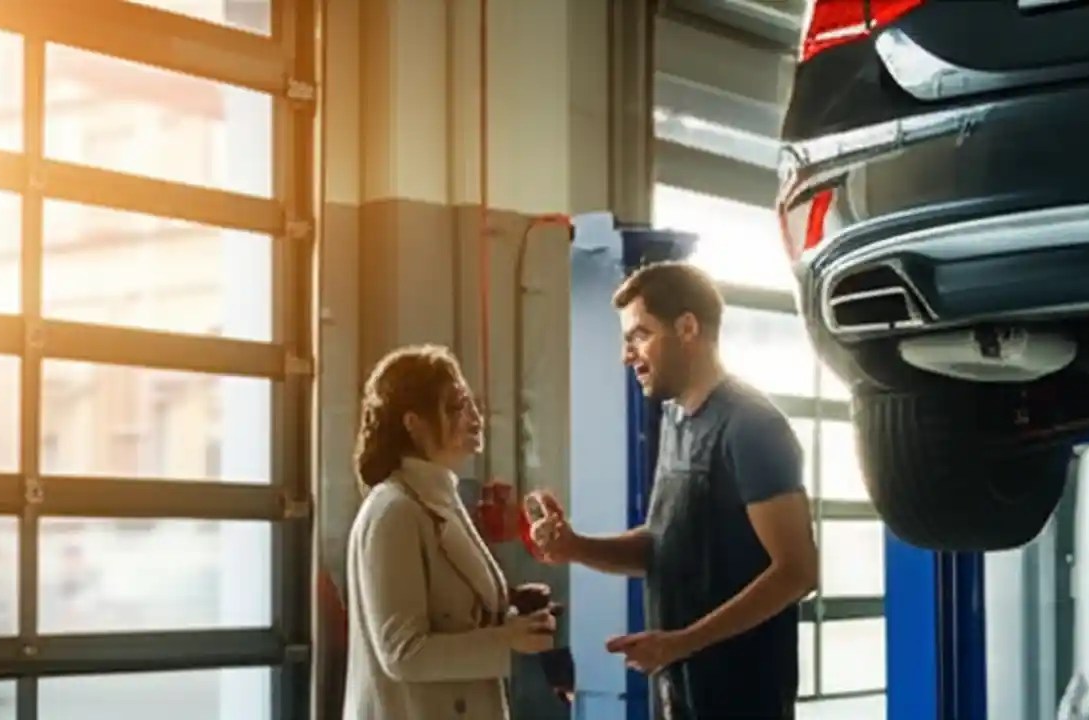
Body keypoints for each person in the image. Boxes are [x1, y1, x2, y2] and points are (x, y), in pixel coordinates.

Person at [529, 261, 819, 719]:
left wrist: (681, 643)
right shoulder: (676, 419)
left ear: (687, 327)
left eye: (639, 335)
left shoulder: (752, 427)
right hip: (681, 697)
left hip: (744, 701)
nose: (627, 355)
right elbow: (662, 546)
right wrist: (574, 546)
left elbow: (797, 572)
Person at [343, 344, 557, 720]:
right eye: (456, 406)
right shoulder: (394, 510)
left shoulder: (441, 498)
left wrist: (509, 615)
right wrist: (507, 641)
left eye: (472, 402)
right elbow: (402, 654)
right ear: (414, 422)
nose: (475, 417)